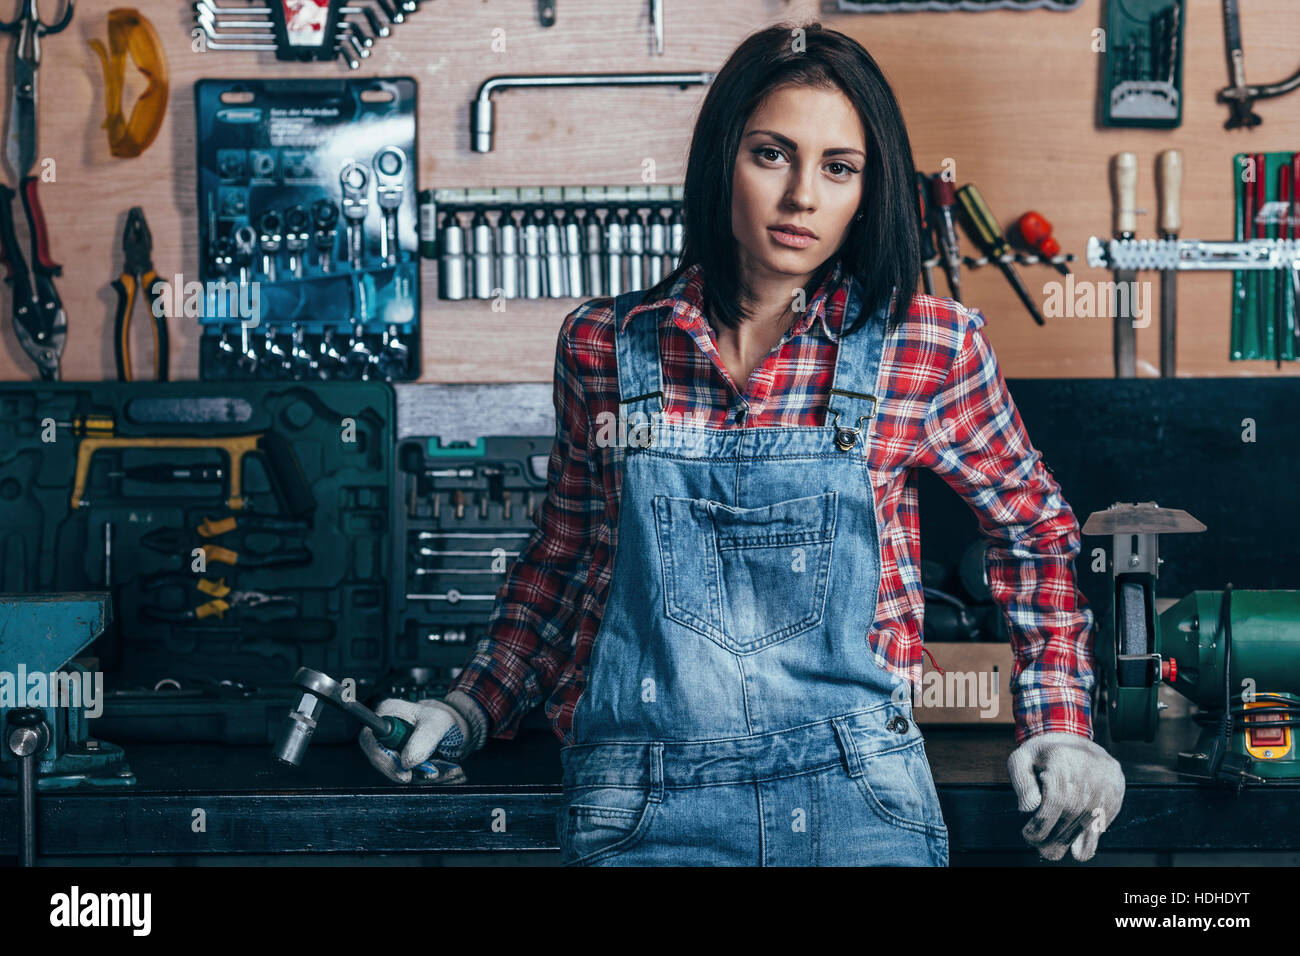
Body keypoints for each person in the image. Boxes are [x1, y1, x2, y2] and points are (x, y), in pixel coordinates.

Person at [360, 21, 1125, 866]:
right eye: (772, 154)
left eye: (838, 168)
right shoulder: (604, 345)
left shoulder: (929, 345)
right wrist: (468, 707)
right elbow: (566, 556)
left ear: (866, 193)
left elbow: (1034, 532)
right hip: (639, 802)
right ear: (721, 157)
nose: (802, 196)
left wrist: (1061, 727)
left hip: (859, 792)